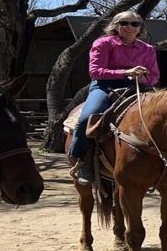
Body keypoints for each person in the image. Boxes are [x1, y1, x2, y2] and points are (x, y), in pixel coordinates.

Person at [68, 10, 160, 184]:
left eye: (135, 24)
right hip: (105, 87)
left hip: (139, 88)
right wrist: (126, 72)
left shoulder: (147, 49)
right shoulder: (103, 43)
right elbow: (95, 72)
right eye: (124, 23)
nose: (129, 27)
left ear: (140, 28)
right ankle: (81, 160)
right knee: (88, 116)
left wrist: (143, 77)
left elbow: (154, 76)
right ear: (116, 26)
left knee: (165, 115)